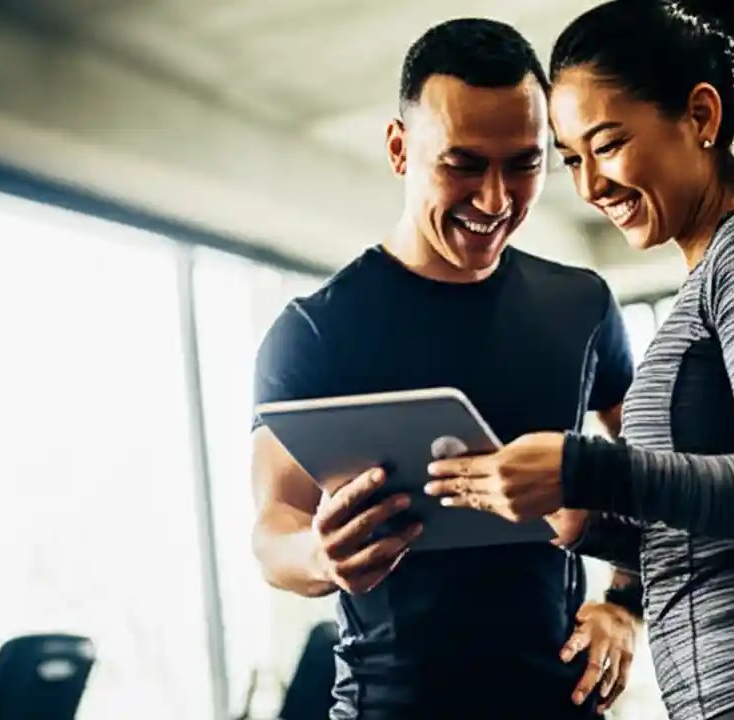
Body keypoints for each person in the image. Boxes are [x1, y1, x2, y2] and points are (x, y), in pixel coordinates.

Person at [424, 1, 734, 719]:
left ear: (703, 117)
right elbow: (712, 538)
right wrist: (585, 516)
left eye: (609, 143)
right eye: (572, 159)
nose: (591, 186)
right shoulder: (709, 277)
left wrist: (585, 466)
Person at [250, 18, 642, 720]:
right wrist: (319, 557)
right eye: (462, 164)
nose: (495, 202)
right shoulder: (316, 329)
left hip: (558, 702)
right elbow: (273, 527)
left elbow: (656, 471)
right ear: (400, 150)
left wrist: (624, 603)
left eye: (523, 164)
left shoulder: (583, 305)